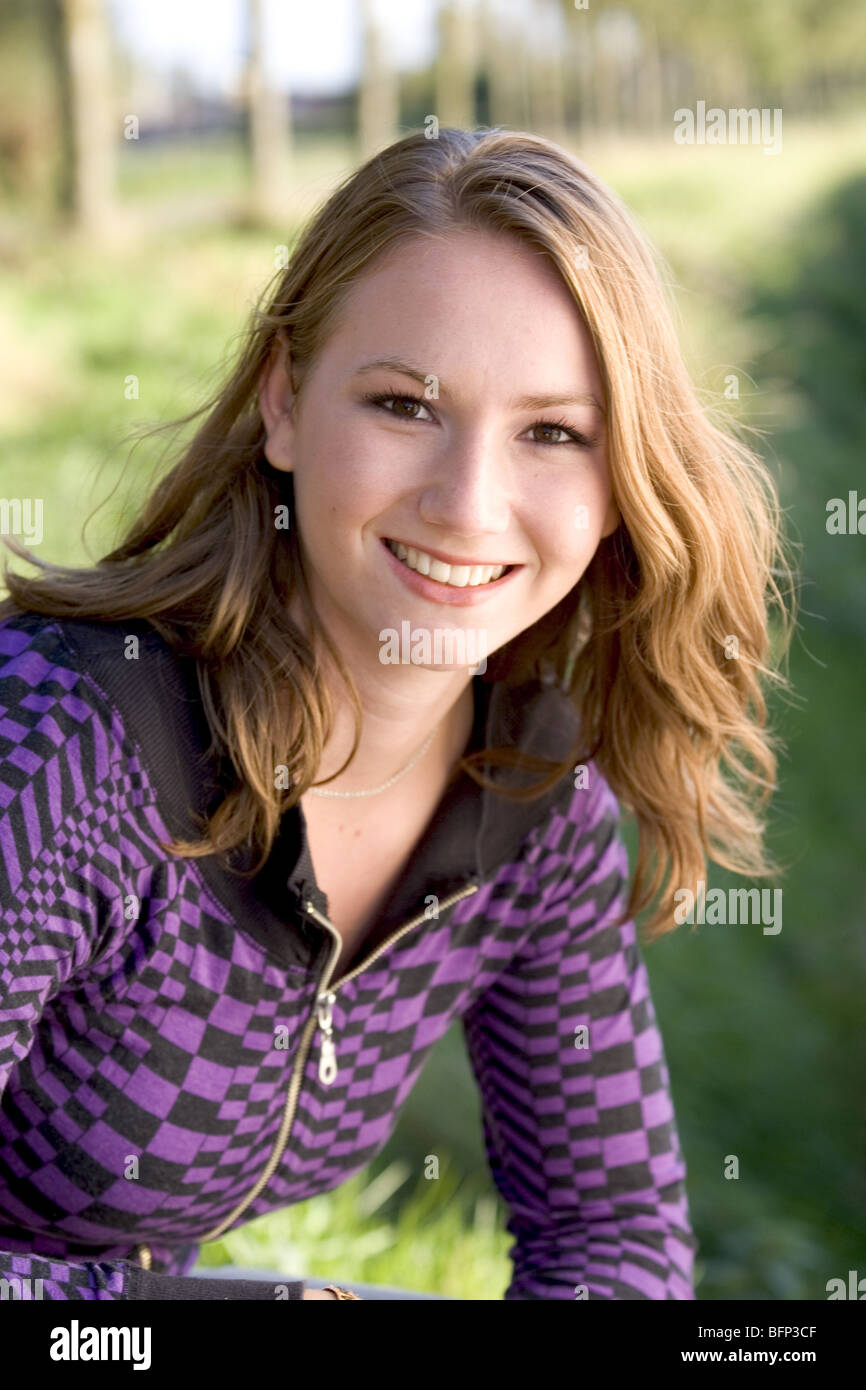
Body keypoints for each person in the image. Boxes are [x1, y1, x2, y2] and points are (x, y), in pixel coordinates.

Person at [0, 126, 796, 1300]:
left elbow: (614, 1235)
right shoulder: (59, 745)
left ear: (622, 480)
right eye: (404, 405)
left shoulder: (524, 801)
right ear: (282, 401)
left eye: (552, 432)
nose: (469, 504)